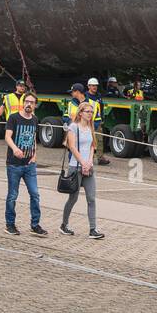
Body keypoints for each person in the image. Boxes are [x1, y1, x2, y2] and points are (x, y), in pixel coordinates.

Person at [4, 92, 47, 236]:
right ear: (23, 103)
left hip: (29, 165)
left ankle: (35, 225)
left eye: (32, 102)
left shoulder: (35, 119)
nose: (29, 104)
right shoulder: (14, 118)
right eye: (26, 101)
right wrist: (15, 149)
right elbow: (7, 136)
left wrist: (35, 154)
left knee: (35, 194)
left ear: (35, 105)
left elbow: (34, 138)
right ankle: (10, 224)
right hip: (14, 164)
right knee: (12, 195)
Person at [60, 102, 104, 239]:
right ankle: (64, 224)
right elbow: (72, 147)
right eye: (88, 111)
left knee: (91, 198)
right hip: (75, 166)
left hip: (88, 167)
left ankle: (93, 229)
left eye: (92, 112)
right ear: (80, 113)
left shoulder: (90, 127)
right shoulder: (73, 127)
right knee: (73, 198)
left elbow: (92, 146)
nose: (90, 114)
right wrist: (83, 163)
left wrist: (89, 162)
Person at [84, 78, 110, 165]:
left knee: (99, 140)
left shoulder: (98, 96)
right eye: (93, 85)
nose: (95, 87)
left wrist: (101, 119)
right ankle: (88, 157)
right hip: (87, 121)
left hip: (97, 122)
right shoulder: (85, 97)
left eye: (96, 85)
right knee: (88, 140)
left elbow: (100, 108)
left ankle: (100, 158)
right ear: (88, 86)